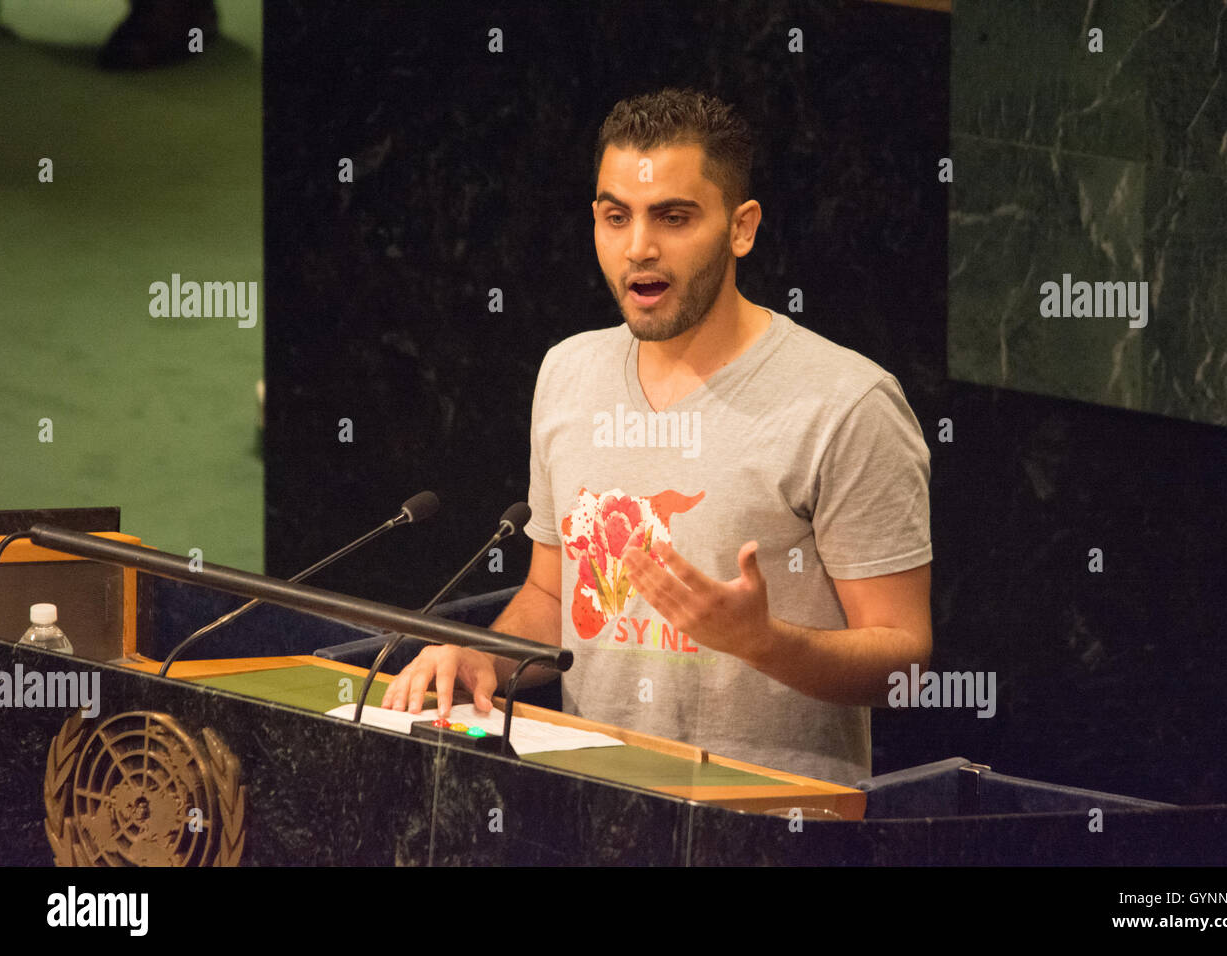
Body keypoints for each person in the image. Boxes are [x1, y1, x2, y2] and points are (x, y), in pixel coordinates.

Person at [384, 88, 932, 784]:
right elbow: (552, 598)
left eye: (674, 218)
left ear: (742, 228)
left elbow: (904, 662)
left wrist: (763, 644)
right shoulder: (568, 372)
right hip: (592, 808)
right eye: (617, 217)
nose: (639, 248)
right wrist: (481, 655)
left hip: (768, 828)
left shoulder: (846, 402)